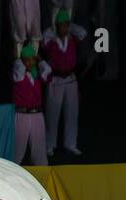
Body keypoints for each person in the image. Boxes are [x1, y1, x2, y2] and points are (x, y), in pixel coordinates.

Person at [41, 7, 86, 156]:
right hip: (56, 80)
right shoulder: (51, 42)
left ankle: (70, 143)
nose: (64, 28)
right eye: (61, 25)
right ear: (56, 26)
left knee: (72, 112)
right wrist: (54, 25)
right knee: (52, 114)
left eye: (66, 25)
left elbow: (83, 32)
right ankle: (49, 144)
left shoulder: (72, 39)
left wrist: (69, 24)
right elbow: (43, 38)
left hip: (71, 79)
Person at [13, 45, 50, 166]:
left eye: (32, 59)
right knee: (18, 148)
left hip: (37, 115)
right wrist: (19, 54)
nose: (30, 62)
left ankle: (42, 172)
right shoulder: (19, 74)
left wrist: (39, 58)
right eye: (26, 60)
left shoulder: (37, 76)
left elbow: (48, 69)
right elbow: (19, 65)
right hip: (22, 115)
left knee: (39, 148)